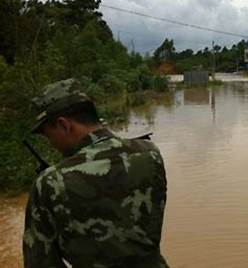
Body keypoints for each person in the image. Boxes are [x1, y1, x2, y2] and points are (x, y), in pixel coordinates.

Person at [23, 78, 169, 268]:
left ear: (64, 124)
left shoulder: (50, 183)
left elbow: (40, 263)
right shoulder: (150, 154)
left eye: (48, 134)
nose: (51, 143)